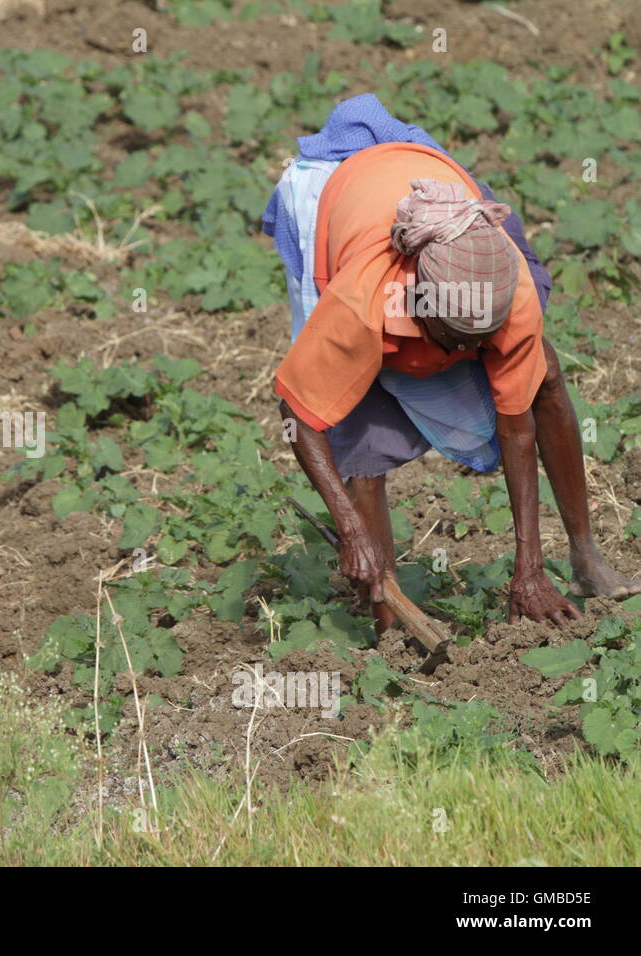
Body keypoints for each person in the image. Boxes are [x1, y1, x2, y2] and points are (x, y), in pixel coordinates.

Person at [264, 96, 639, 631]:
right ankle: (389, 618)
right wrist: (348, 528)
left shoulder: (510, 292)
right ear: (423, 306)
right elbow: (297, 412)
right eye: (459, 340)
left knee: (544, 378)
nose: (471, 356)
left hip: (447, 198)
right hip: (347, 203)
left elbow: (517, 429)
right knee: (361, 436)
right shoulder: (363, 302)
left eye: (481, 340)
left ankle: (586, 560)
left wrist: (528, 567)